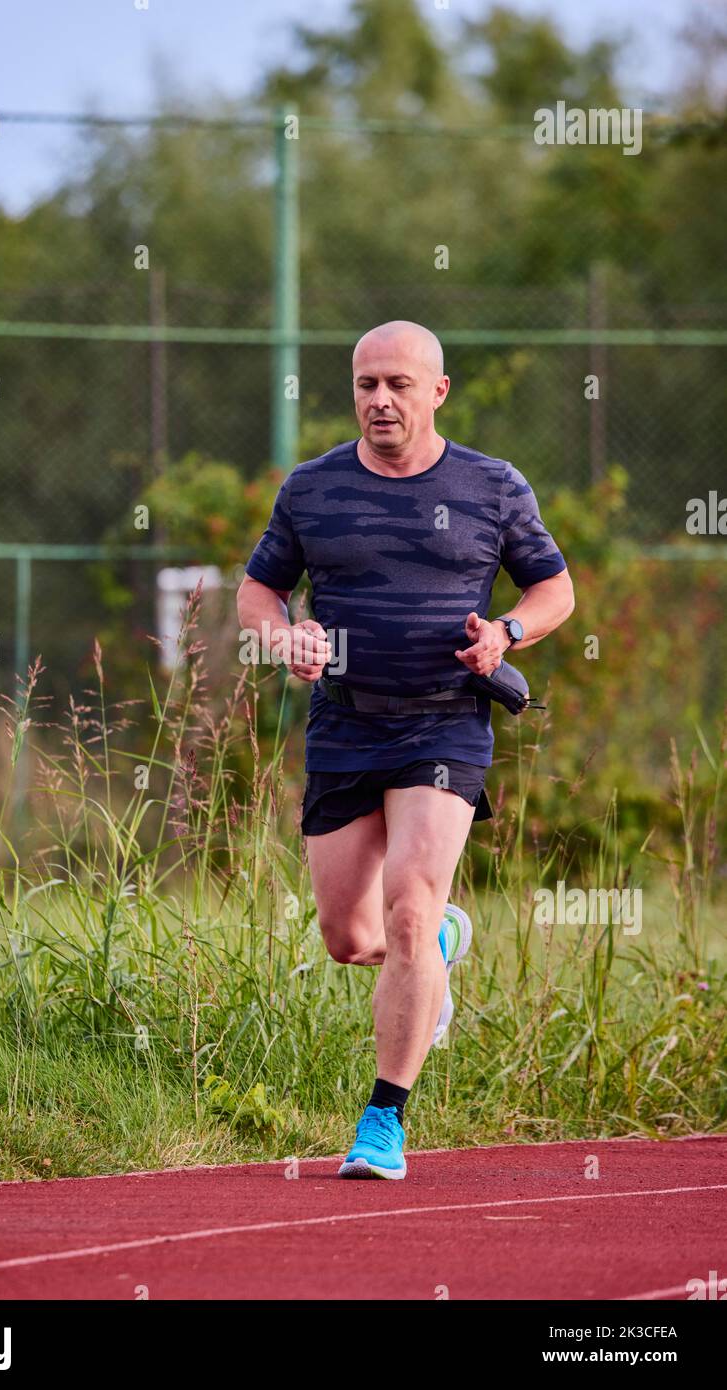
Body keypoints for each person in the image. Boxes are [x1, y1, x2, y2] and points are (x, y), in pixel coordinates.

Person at [236, 320, 574, 1179]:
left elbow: (553, 587)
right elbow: (257, 593)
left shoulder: (491, 486)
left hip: (444, 720)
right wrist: (286, 640)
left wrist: (504, 632)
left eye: (396, 384)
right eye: (364, 385)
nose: (378, 400)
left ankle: (382, 1123)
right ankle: (434, 953)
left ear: (436, 392)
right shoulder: (312, 488)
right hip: (346, 723)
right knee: (350, 937)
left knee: (410, 907)